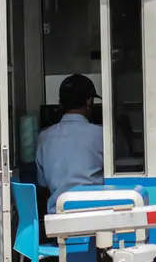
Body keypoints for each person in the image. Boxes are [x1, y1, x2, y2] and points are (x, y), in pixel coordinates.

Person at [35, 74, 104, 213]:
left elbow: (42, 185)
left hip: (58, 216)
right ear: (89, 102)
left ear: (60, 104)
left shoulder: (44, 137)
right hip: (97, 215)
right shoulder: (101, 134)